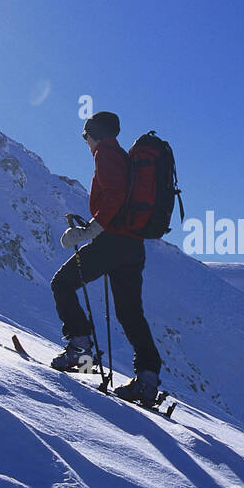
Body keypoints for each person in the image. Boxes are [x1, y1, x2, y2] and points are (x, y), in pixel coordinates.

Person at [49, 111, 163, 404]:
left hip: (113, 241)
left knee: (62, 284)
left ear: (93, 133)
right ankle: (147, 380)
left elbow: (114, 195)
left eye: (85, 135)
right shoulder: (123, 157)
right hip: (132, 246)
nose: (85, 141)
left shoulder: (106, 153)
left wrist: (89, 231)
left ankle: (80, 349)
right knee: (129, 313)